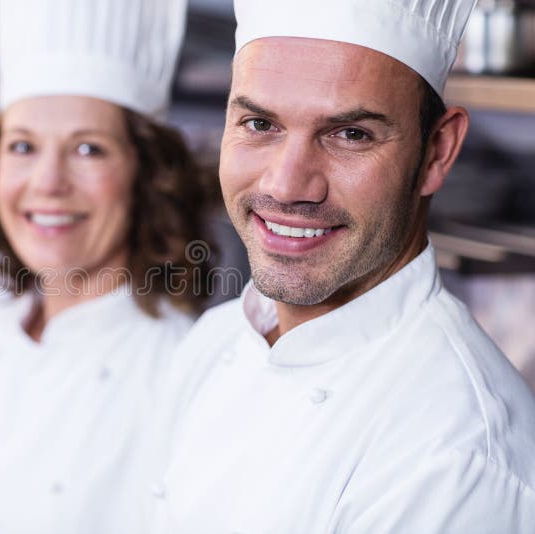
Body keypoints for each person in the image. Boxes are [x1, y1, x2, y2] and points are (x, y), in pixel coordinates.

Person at [150, 1, 535, 533]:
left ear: (437, 152)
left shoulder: (454, 459)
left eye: (350, 134)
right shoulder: (215, 343)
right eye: (259, 124)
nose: (287, 185)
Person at [0, 0, 211, 532]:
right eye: (23, 146)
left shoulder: (182, 371)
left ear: (147, 174)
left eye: (88, 150)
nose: (49, 182)